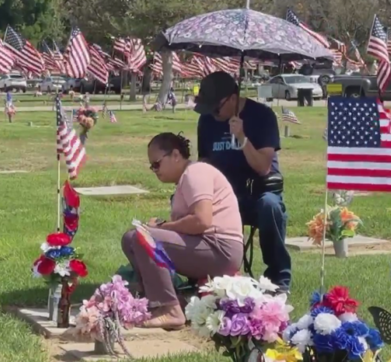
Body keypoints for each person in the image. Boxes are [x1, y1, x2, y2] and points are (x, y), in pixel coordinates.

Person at [120, 132, 243, 330]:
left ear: (176, 155)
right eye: (152, 166)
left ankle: (170, 310)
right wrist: (160, 226)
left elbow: (202, 220)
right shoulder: (186, 178)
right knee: (130, 238)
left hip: (221, 249)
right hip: (209, 246)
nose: (154, 170)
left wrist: (160, 228)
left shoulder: (196, 172)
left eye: (157, 164)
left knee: (144, 237)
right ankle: (159, 301)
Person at [193, 71, 291, 291]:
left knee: (271, 206)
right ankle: (202, 272)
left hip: (259, 192)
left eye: (216, 108)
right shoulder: (207, 121)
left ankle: (278, 279)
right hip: (226, 196)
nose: (213, 114)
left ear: (233, 99)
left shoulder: (262, 116)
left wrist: (242, 138)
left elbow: (263, 167)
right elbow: (205, 161)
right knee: (194, 206)